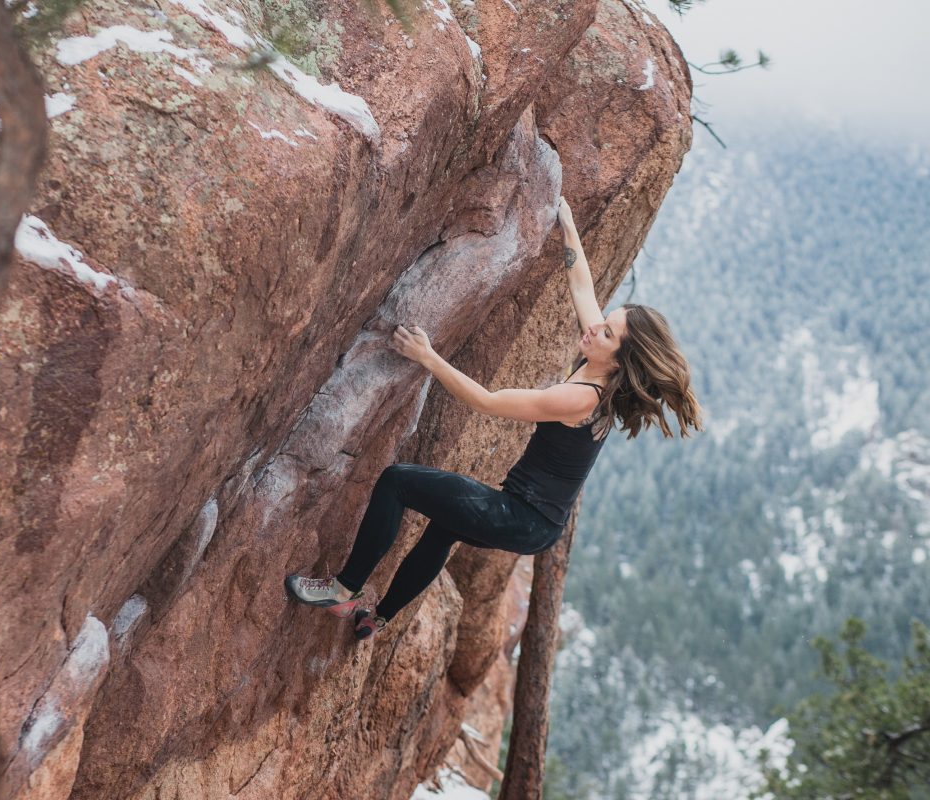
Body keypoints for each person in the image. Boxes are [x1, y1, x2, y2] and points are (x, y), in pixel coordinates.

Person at [285, 197, 702, 639]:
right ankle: (379, 618)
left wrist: (427, 356)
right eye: (606, 320)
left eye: (607, 331)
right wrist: (566, 220)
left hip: (523, 518)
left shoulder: (581, 398)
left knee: (397, 481)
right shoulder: (601, 361)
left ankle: (344, 589)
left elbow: (487, 401)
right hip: (536, 522)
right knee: (443, 529)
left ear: (619, 358)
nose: (595, 326)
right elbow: (582, 288)